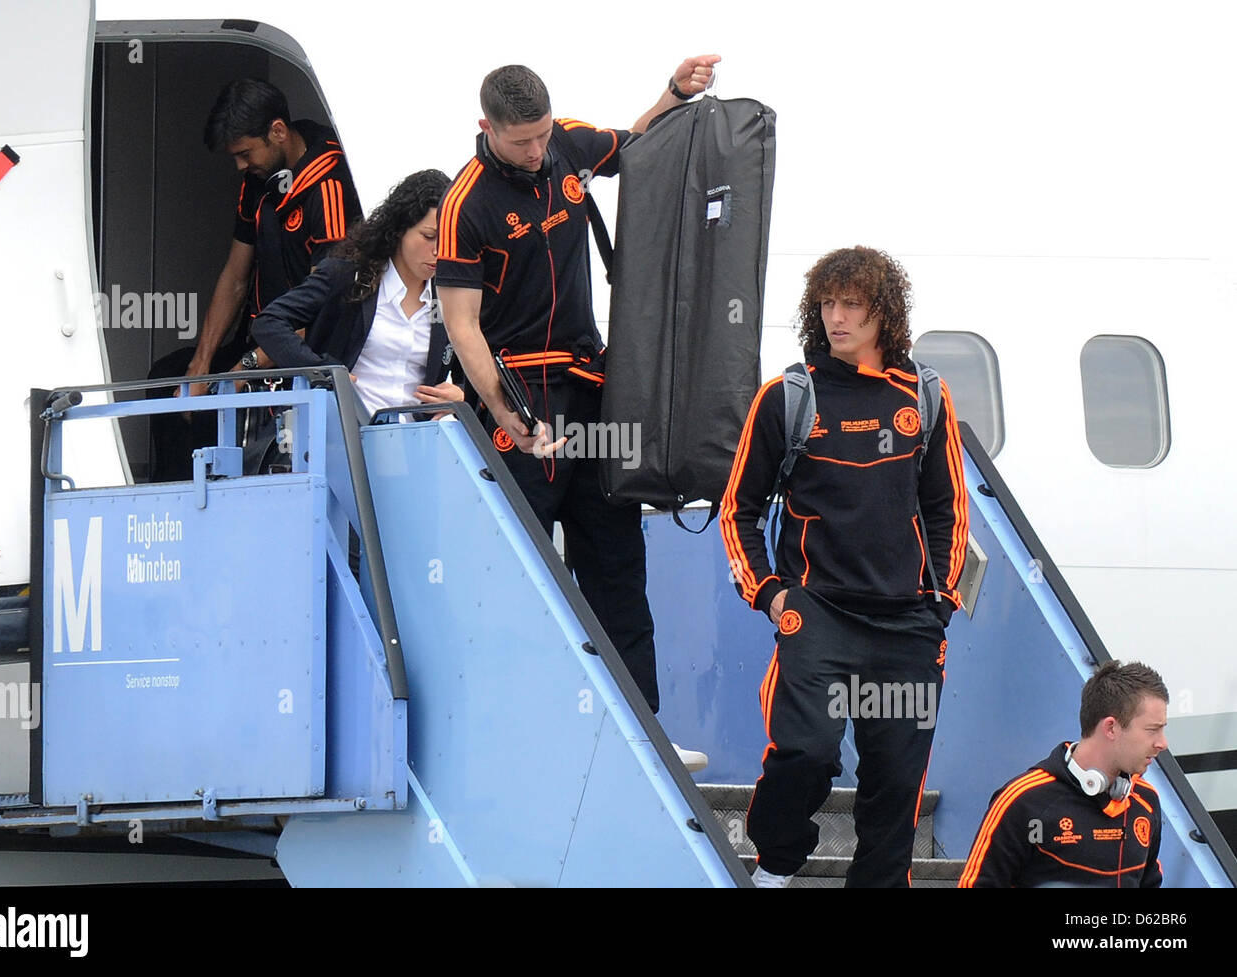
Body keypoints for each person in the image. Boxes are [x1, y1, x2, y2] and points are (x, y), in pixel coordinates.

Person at [434, 60, 718, 770]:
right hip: (519, 401)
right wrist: (506, 413)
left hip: (590, 392)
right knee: (518, 577)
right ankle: (510, 742)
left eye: (540, 137)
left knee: (617, 565)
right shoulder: (464, 204)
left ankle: (645, 737)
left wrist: (675, 93)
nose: (537, 152)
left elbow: (637, 145)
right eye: (521, 141)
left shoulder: (566, 142)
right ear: (485, 129)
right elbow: (463, 327)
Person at [720, 246, 969, 887]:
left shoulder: (928, 398)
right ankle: (775, 866)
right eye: (827, 303)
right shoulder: (788, 396)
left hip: (908, 627)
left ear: (883, 312)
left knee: (895, 788)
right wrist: (773, 594)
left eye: (851, 303)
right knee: (805, 754)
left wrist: (939, 602)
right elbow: (736, 509)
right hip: (818, 616)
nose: (836, 317)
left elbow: (948, 512)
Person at [149, 77, 361, 479]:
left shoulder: (329, 185)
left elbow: (324, 309)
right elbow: (235, 276)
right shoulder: (258, 181)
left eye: (245, 153)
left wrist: (242, 371)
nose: (240, 166)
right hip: (258, 341)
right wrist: (200, 367)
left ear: (278, 131)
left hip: (305, 353)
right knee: (169, 383)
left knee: (220, 401)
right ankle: (171, 517)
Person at [249, 168, 463, 416]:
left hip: (418, 440)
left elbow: (481, 358)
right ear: (398, 230)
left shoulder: (452, 295)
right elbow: (269, 322)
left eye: (448, 237)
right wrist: (320, 371)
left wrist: (462, 394)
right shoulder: (344, 276)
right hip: (345, 436)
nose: (439, 250)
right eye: (429, 236)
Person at [958, 660, 1168, 888]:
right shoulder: (1022, 801)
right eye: (1152, 730)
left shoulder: (1145, 799)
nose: (1162, 743)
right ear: (1111, 728)